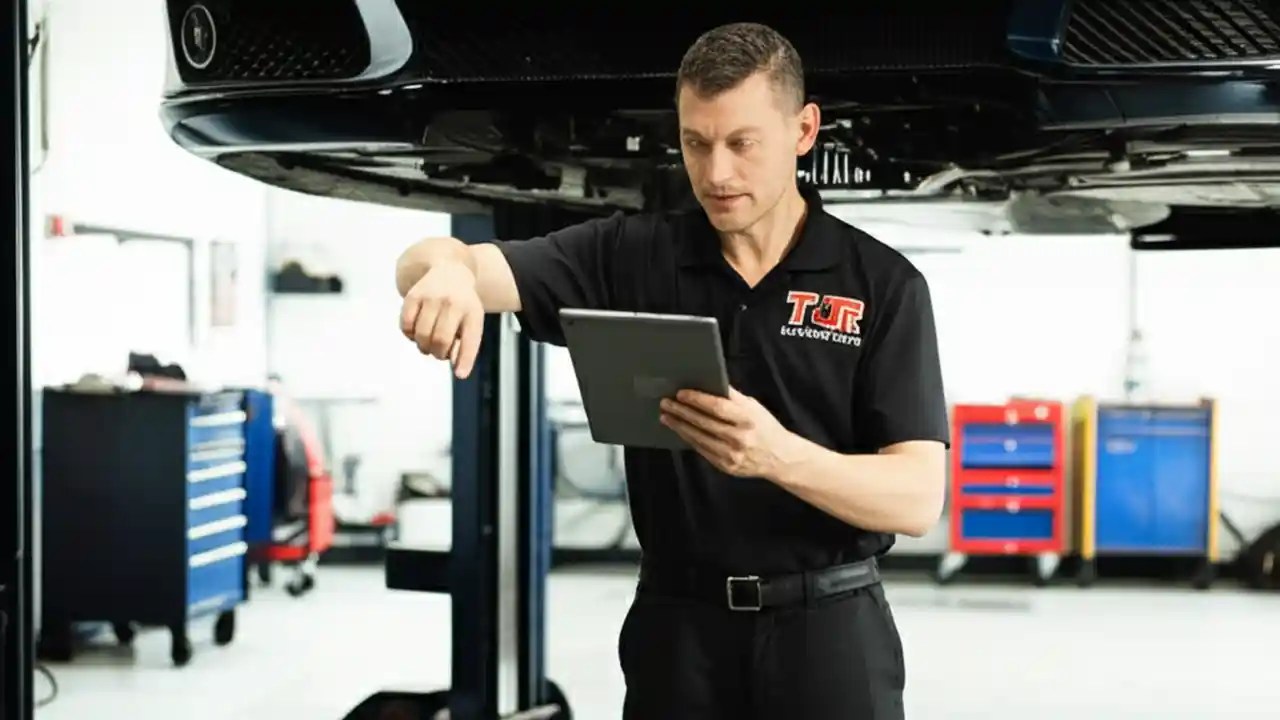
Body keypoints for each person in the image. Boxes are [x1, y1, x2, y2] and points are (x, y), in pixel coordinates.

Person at [395, 21, 949, 720]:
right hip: (678, 631)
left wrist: (775, 454)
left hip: (828, 628)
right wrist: (446, 271)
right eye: (696, 143)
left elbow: (916, 499)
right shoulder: (631, 255)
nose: (716, 173)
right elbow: (439, 263)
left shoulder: (883, 285)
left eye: (743, 143)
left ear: (804, 131)